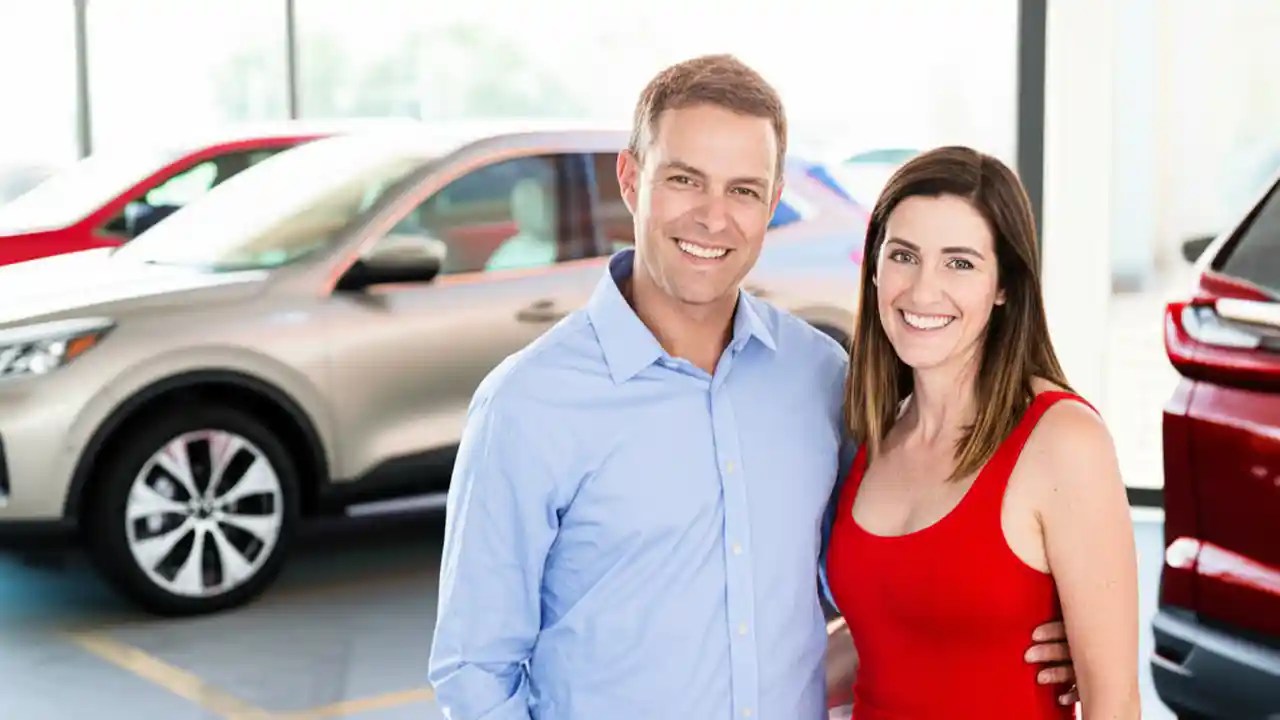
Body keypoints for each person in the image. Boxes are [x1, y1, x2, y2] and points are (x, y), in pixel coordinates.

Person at [428, 54, 1079, 719]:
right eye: (685, 180)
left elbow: (880, 576)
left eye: (743, 190)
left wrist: (1012, 635)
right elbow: (474, 669)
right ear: (631, 178)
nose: (714, 218)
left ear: (771, 203)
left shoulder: (818, 376)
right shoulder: (529, 403)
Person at [822, 146, 1141, 718]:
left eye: (960, 263)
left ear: (1005, 286)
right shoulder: (875, 433)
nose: (922, 291)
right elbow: (886, 640)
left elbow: (1114, 703)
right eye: (904, 256)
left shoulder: (1062, 441)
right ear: (873, 267)